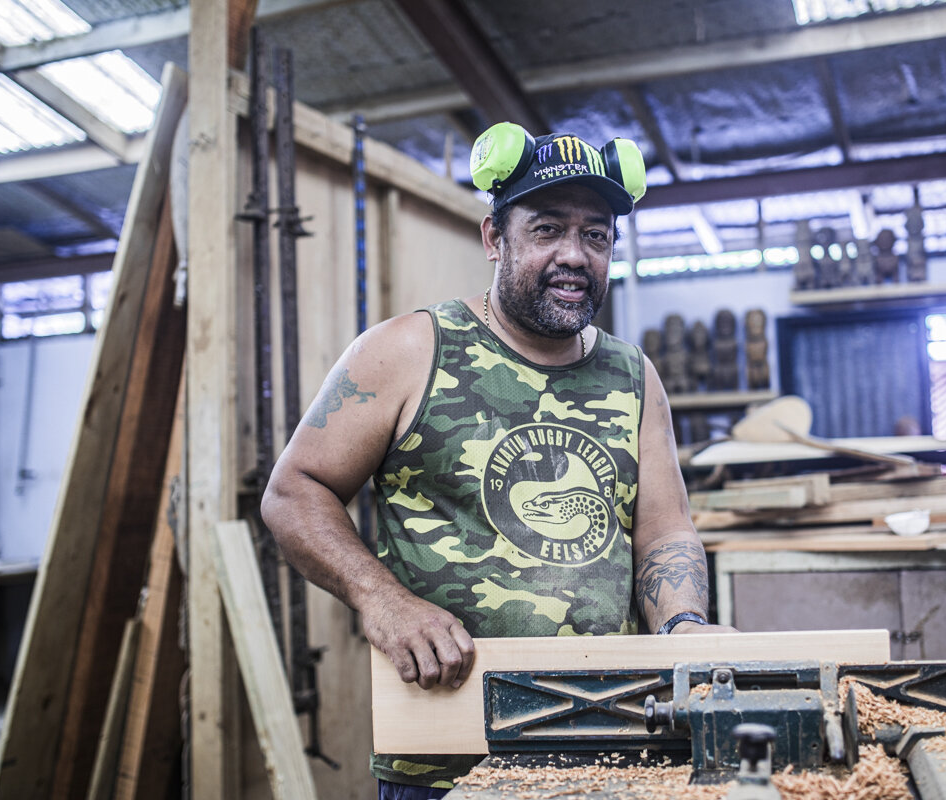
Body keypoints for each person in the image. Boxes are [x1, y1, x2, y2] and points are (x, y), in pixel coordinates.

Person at [261, 123, 733, 799]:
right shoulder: (409, 350)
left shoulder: (633, 375)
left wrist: (683, 622)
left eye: (595, 235)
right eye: (546, 229)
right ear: (493, 239)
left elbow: (663, 528)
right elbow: (291, 491)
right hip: (448, 756)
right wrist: (382, 600)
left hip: (615, 744)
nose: (575, 254)